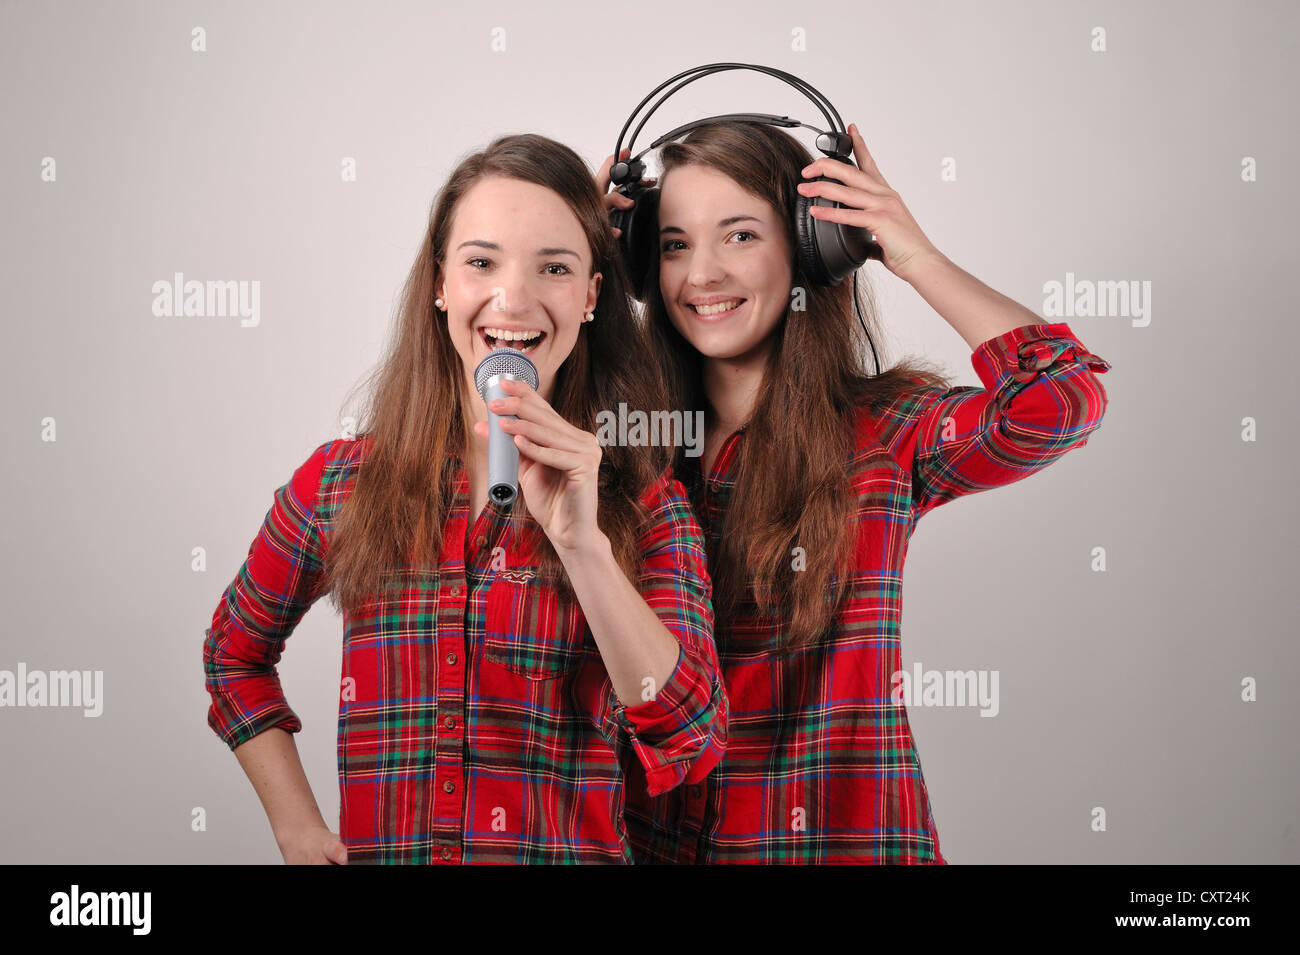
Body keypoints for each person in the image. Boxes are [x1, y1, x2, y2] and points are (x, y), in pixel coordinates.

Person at [595, 120, 1111, 864]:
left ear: (812, 247)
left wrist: (914, 254)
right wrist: (574, 259)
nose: (700, 273)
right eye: (673, 244)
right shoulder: (615, 448)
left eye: (740, 236)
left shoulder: (882, 433)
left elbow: (1061, 399)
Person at [203, 133, 727, 865]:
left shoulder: (646, 507)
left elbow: (692, 737)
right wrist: (295, 824)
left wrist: (582, 547)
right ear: (442, 283)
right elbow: (234, 653)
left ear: (588, 298)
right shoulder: (341, 483)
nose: (513, 298)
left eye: (554, 267)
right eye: (482, 261)